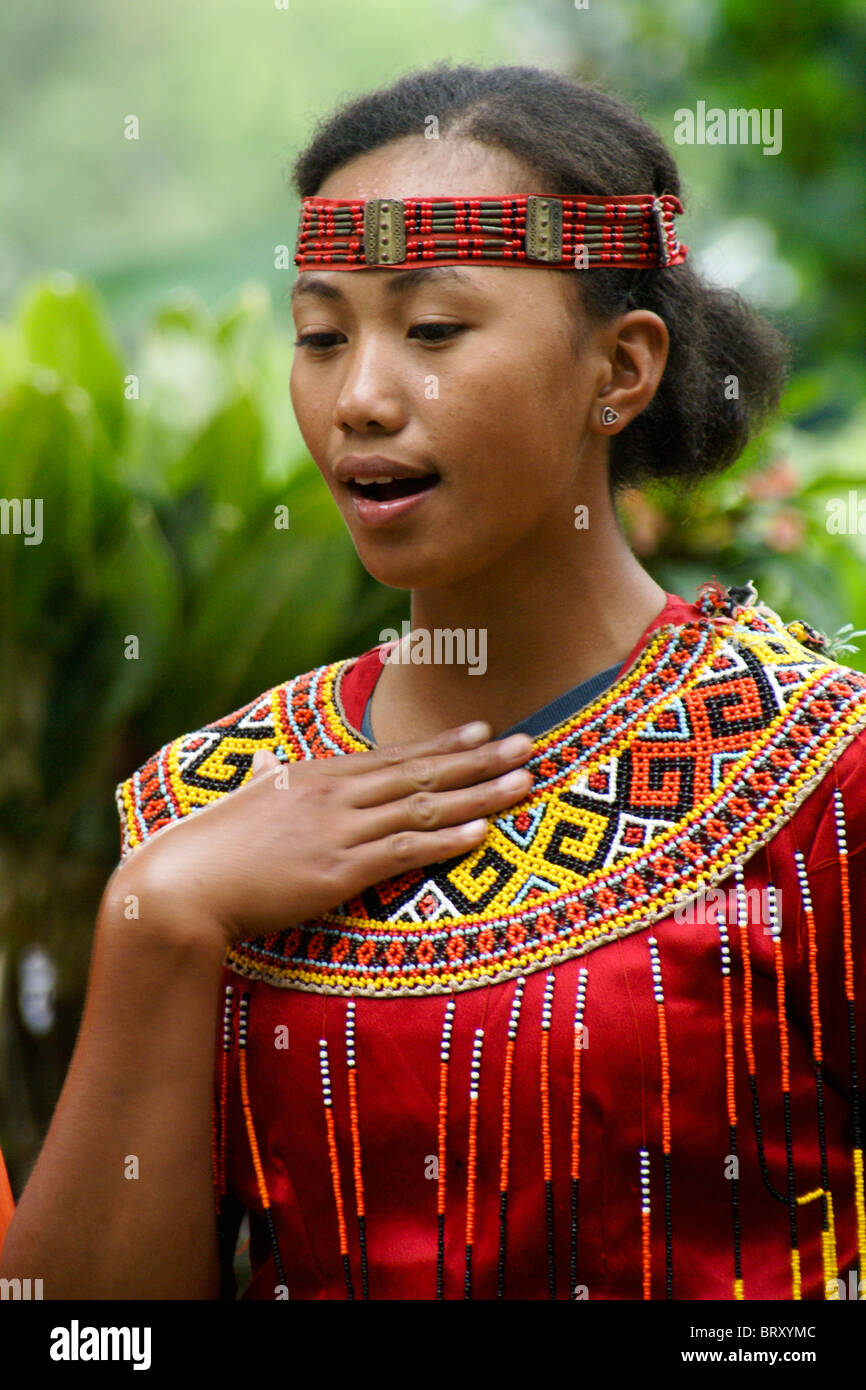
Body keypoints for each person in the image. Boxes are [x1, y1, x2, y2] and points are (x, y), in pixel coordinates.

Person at [3, 62, 866, 1302]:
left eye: (433, 331)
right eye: (320, 337)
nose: (358, 398)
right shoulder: (207, 803)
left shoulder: (825, 778)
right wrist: (164, 919)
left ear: (620, 370)